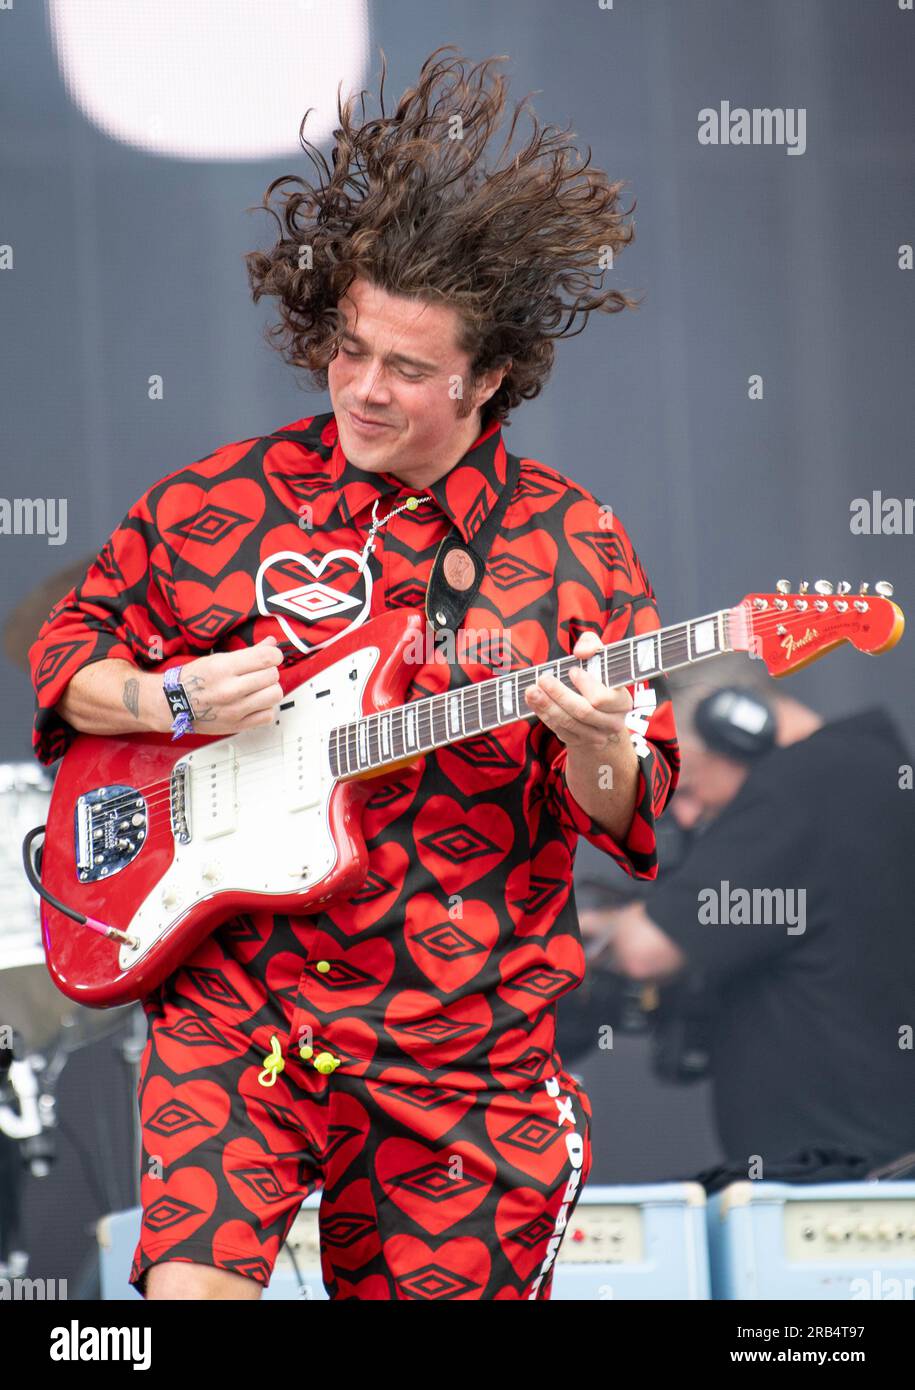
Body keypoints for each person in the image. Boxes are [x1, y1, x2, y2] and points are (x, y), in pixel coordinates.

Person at [27, 47, 679, 1300]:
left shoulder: (575, 547)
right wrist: (167, 700)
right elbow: (66, 661)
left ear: (489, 380)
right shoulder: (217, 500)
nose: (363, 390)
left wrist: (598, 743)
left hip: (460, 1061)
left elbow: (633, 807)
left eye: (410, 369)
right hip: (238, 1020)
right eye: (350, 347)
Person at [581, 653, 915, 1172]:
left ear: (737, 724)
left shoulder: (807, 785)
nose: (685, 815)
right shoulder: (862, 771)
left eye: (685, 787)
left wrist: (585, 926)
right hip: (855, 1171)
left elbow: (647, 949)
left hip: (847, 1176)